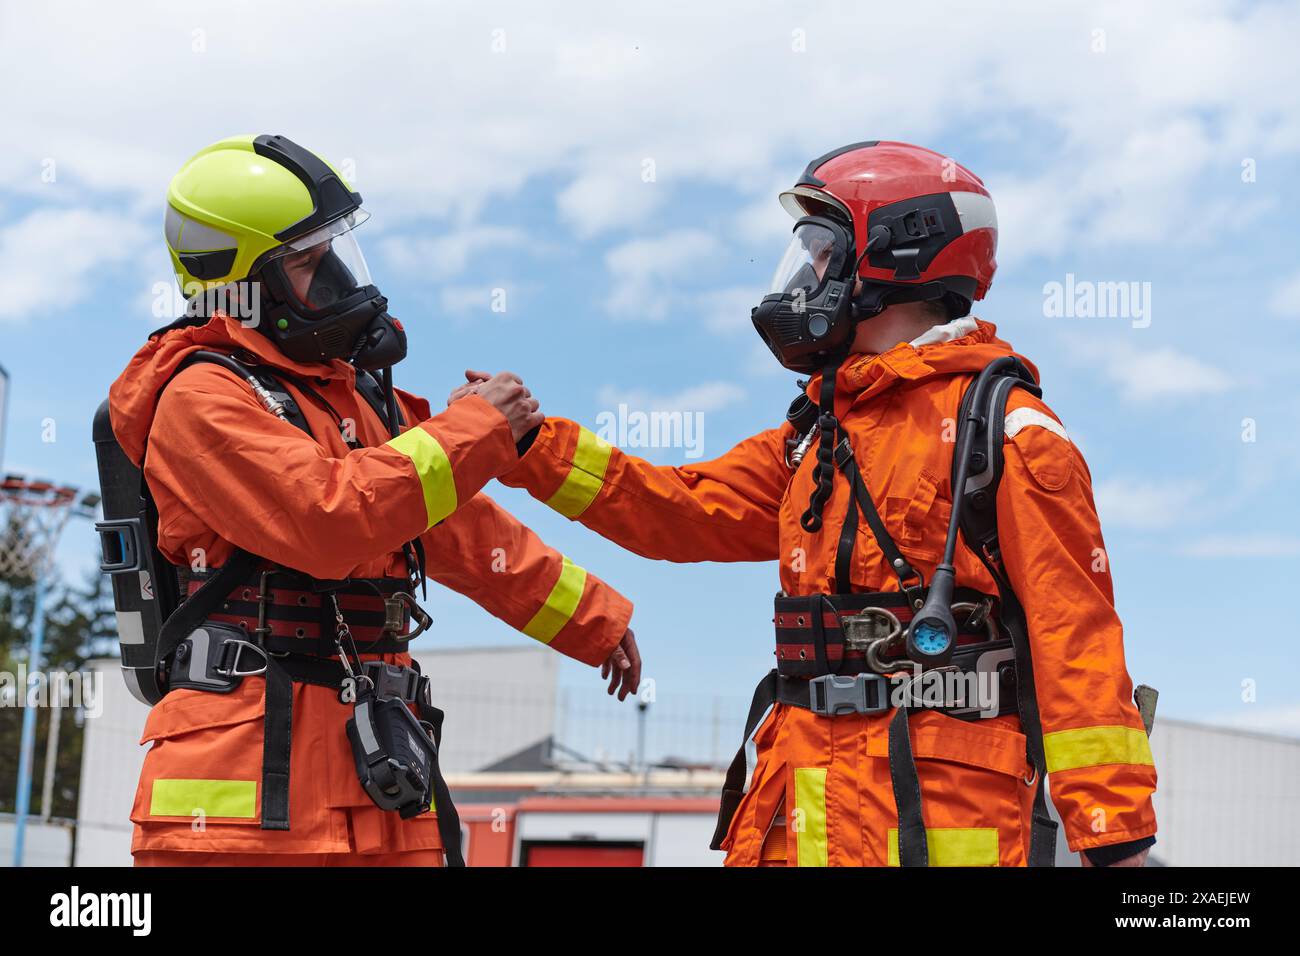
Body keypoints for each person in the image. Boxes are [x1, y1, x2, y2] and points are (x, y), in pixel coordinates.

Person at [463, 141, 1157, 867]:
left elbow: (1075, 642)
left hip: (936, 819)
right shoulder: (812, 440)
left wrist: (1114, 838)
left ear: (899, 254)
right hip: (799, 807)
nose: (809, 274)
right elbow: (675, 508)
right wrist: (528, 443)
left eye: (825, 250)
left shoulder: (1009, 432)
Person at [109, 134, 641, 867]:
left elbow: (461, 533)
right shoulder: (201, 395)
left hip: (376, 773)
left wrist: (593, 621)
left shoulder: (353, 396)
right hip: (240, 799)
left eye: (334, 249)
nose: (334, 274)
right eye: (305, 260)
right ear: (244, 286)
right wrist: (477, 429)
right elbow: (327, 518)